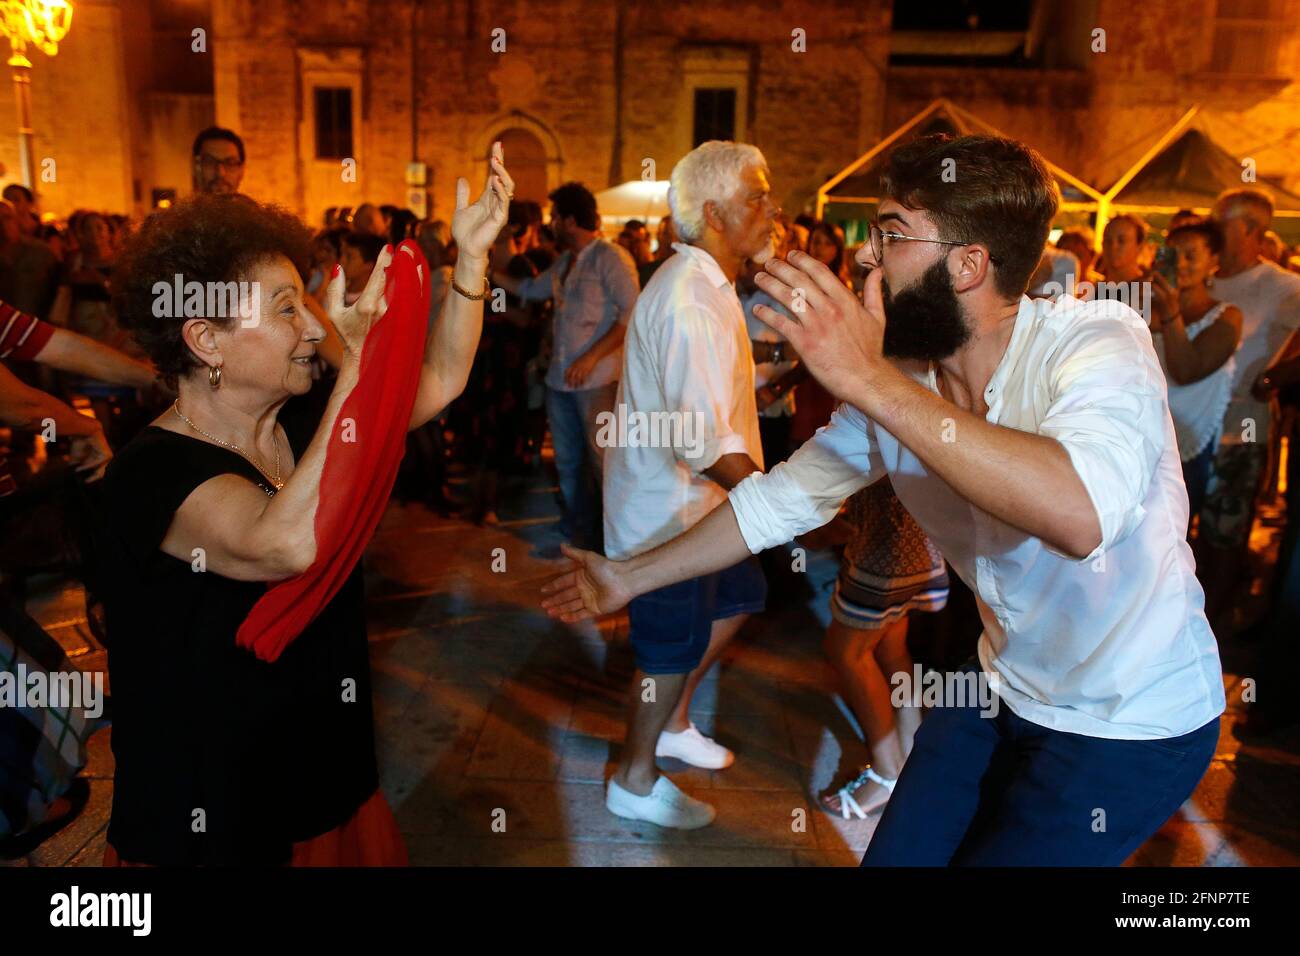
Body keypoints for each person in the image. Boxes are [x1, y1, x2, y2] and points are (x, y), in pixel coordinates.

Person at [545, 134, 1223, 865]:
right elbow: (776, 502)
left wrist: (869, 381)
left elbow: (1080, 513)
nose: (867, 257)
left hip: (1129, 718)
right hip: (1002, 683)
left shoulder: (1097, 340)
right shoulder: (903, 383)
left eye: (892, 234)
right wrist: (627, 577)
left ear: (969, 265)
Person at [97, 144, 513, 866]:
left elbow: (441, 378)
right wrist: (358, 371)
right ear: (205, 339)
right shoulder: (150, 472)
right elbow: (282, 544)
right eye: (288, 309)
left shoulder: (303, 419)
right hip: (216, 806)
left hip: (321, 769)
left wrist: (471, 261)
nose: (316, 327)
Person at [596, 140, 777, 829]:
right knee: (667, 648)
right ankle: (634, 779)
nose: (771, 210)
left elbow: (710, 394)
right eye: (756, 198)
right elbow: (702, 442)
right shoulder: (689, 299)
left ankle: (672, 722)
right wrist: (785, 503)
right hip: (671, 516)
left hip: (707, 509)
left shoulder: (709, 286)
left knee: (738, 600)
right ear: (713, 213)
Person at [489, 182, 639, 551]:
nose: (550, 223)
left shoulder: (611, 258)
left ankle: (616, 539)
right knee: (569, 462)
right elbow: (530, 290)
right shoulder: (564, 262)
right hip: (560, 381)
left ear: (570, 220)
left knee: (603, 462)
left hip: (597, 381)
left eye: (555, 216)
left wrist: (590, 357)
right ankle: (579, 531)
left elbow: (632, 312)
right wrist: (487, 273)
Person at [811, 479, 948, 820]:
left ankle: (887, 772)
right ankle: (912, 749)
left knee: (847, 652)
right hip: (917, 536)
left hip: (884, 545)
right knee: (891, 647)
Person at [1198, 188, 1300, 631]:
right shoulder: (1204, 278)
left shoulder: (1282, 285)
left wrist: (1275, 377)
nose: (1215, 231)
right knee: (1181, 525)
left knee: (1227, 526)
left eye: (1224, 223)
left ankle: (1215, 623)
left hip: (1242, 426)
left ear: (1254, 230)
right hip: (1186, 426)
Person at [1144, 218, 1242, 521]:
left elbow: (1186, 370)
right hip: (1143, 433)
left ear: (1213, 261)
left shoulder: (1227, 316)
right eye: (1173, 254)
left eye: (1191, 255)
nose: (1181, 264)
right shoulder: (1145, 306)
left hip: (1190, 441)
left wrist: (1171, 310)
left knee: (1174, 526)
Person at [191, 126, 246, 196]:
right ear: (195, 167)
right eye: (209, 162)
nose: (220, 173)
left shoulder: (252, 207)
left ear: (242, 170)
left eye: (230, 163)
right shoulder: (183, 207)